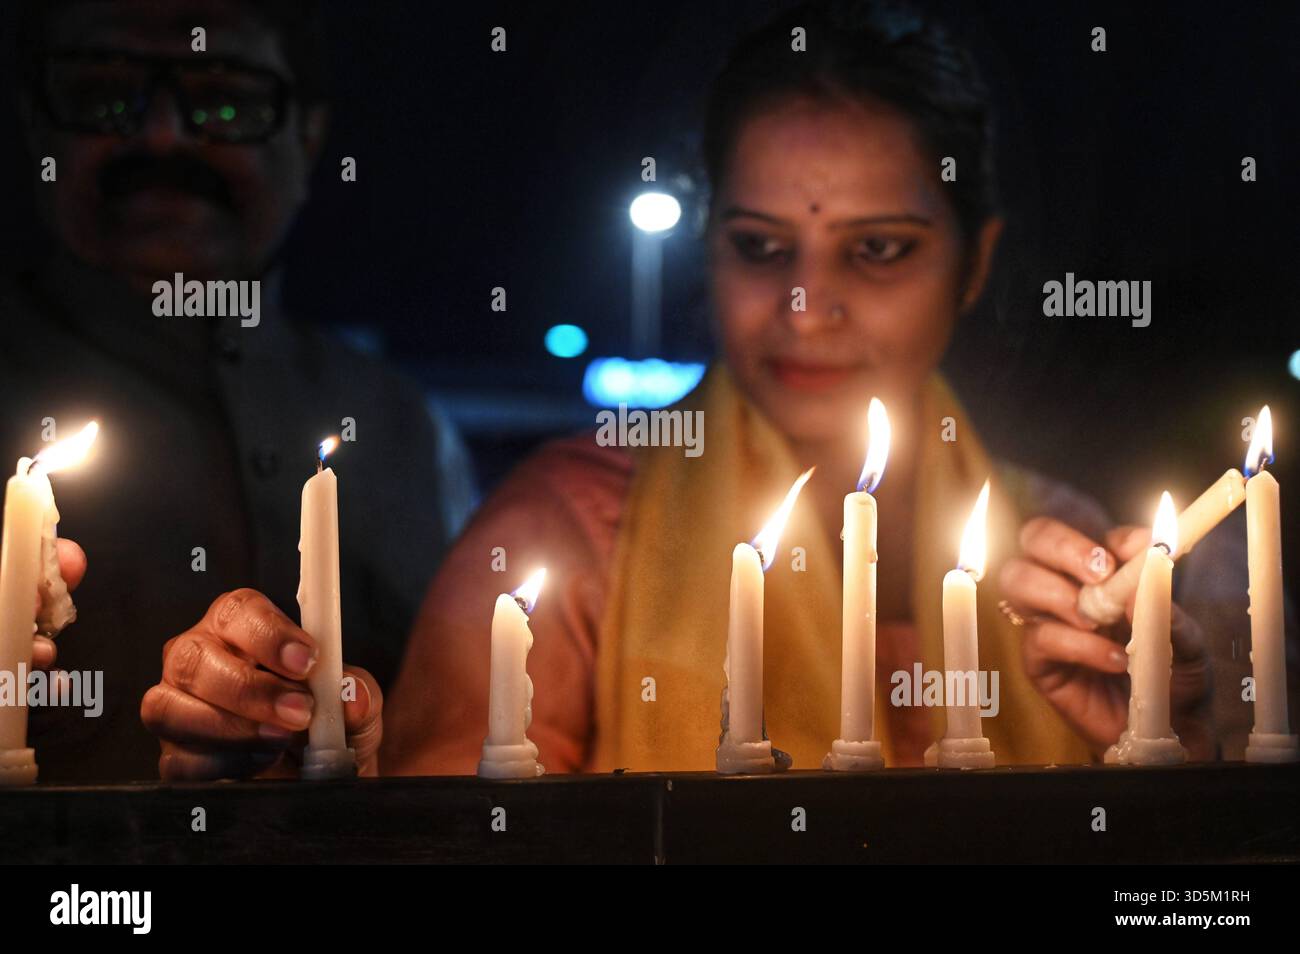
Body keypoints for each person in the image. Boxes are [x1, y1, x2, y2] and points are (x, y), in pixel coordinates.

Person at [378, 0, 1292, 774]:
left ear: (975, 263)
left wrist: (1160, 746)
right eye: (761, 248)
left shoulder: (1072, 559)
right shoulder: (562, 540)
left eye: (879, 249)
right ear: (708, 248)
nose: (806, 309)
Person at [2, 0, 474, 781]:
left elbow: (458, 741)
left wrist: (357, 748)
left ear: (310, 137)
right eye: (101, 94)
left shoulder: (404, 427)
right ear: (33, 124)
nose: (162, 134)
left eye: (226, 101)